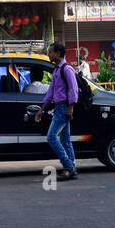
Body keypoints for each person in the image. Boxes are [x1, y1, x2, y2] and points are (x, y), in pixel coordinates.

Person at [33, 42, 79, 180]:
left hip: (64, 107)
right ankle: (71, 168)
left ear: (58, 54)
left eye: (51, 52)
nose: (49, 55)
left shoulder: (66, 69)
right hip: (60, 107)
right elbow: (51, 92)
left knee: (51, 137)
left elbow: (73, 89)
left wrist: (71, 107)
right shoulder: (57, 70)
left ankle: (69, 167)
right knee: (65, 140)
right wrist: (42, 109)